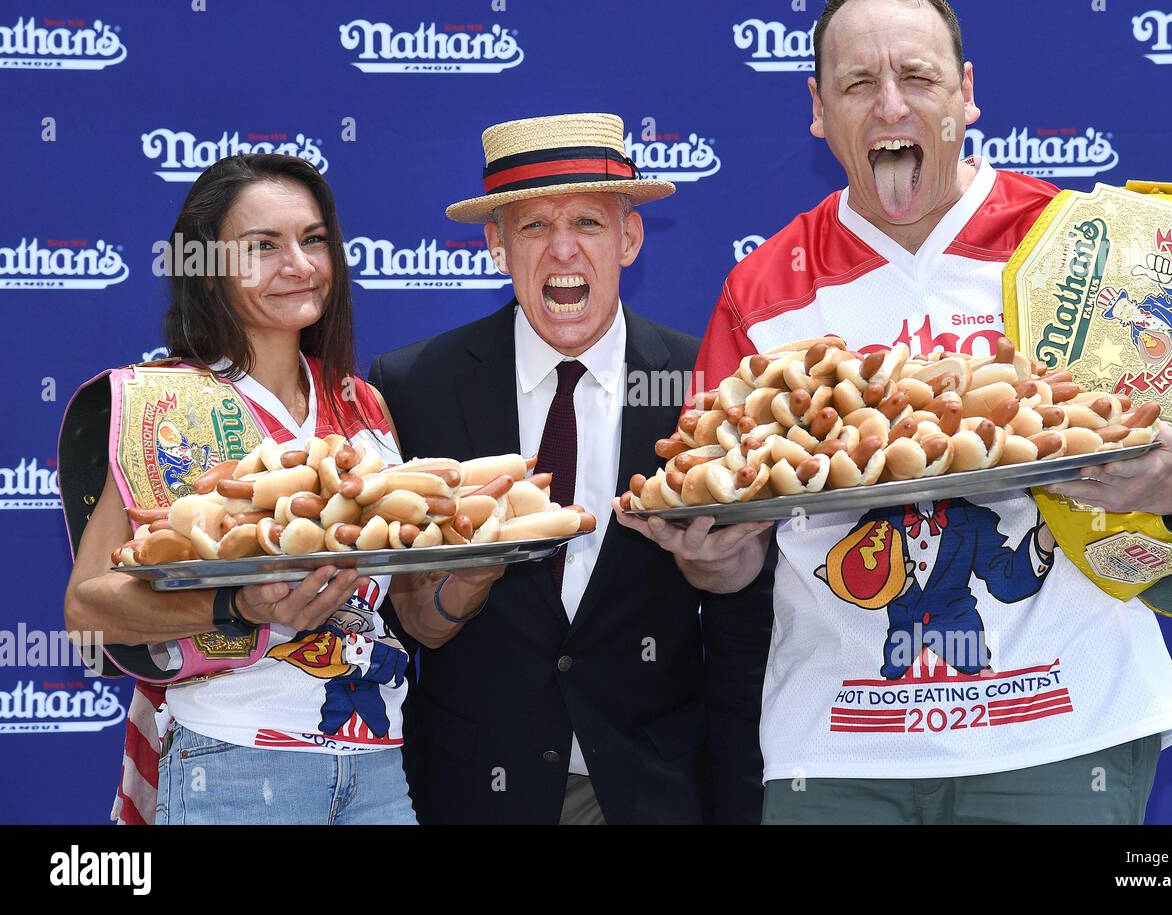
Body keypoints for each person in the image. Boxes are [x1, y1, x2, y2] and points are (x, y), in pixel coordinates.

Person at [615, 0, 1172, 825]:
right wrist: (706, 551)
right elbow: (737, 548)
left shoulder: (1074, 240)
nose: (889, 105)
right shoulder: (765, 287)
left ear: (967, 92)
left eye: (917, 77)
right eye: (857, 83)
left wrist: (1171, 482)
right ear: (818, 109)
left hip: (1062, 727)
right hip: (839, 742)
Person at [62, 153, 495, 824]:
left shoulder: (364, 404)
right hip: (235, 763)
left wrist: (472, 574)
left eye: (313, 239)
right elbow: (89, 608)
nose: (299, 263)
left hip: (376, 762)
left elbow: (414, 621)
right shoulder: (166, 406)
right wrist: (239, 603)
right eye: (263, 246)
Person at [369, 112, 773, 824]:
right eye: (531, 227)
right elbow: (404, 620)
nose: (562, 251)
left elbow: (743, 614)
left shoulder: (703, 383)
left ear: (630, 237)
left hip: (653, 792)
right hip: (472, 792)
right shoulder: (413, 387)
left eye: (587, 221)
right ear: (494, 244)